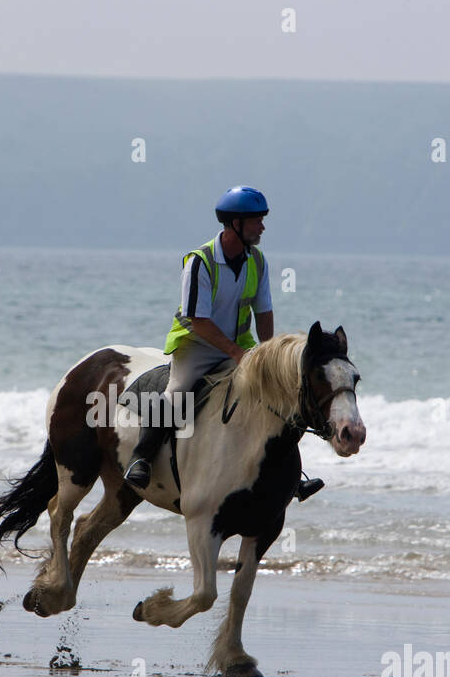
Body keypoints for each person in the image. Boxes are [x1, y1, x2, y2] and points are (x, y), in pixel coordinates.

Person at [123, 186, 325, 502]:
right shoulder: (199, 261)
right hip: (196, 345)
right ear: (235, 224)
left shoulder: (257, 261)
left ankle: (290, 476)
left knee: (276, 396)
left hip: (239, 346)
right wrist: (235, 352)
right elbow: (199, 320)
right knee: (175, 397)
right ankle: (141, 459)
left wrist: (268, 356)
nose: (262, 227)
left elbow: (264, 311)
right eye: (256, 220)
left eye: (261, 220)